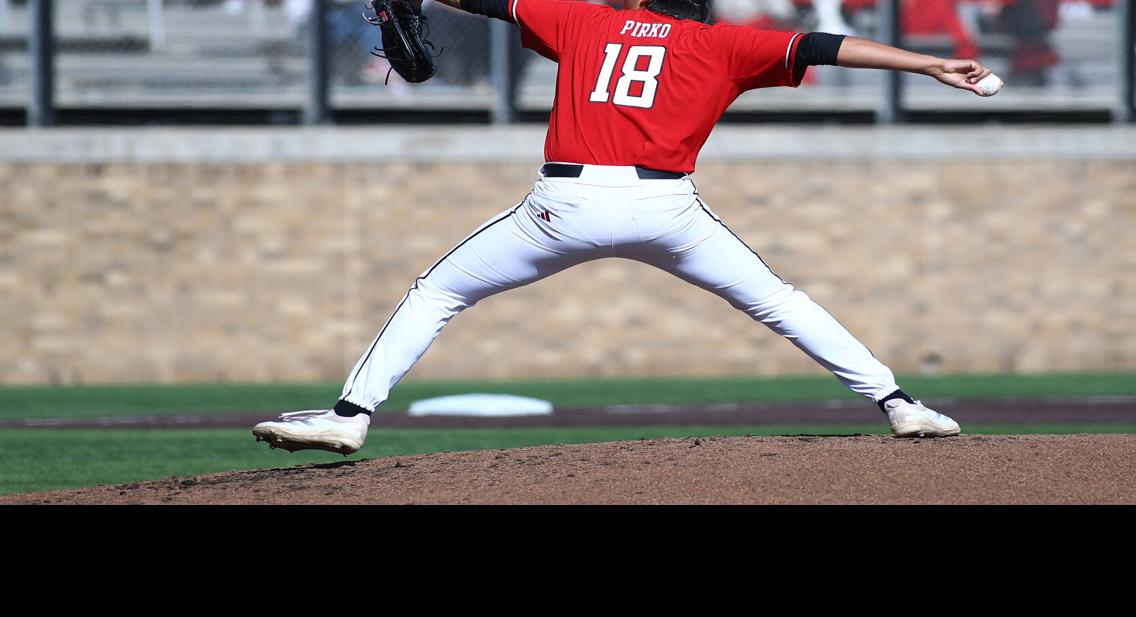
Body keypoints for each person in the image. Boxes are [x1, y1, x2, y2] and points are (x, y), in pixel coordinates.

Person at [253, 0, 993, 455]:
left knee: (436, 293)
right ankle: (900, 407)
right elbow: (825, 47)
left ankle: (350, 417)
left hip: (561, 208)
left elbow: (486, 2)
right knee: (780, 301)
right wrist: (928, 65)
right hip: (665, 210)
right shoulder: (720, 41)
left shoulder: (585, 19)